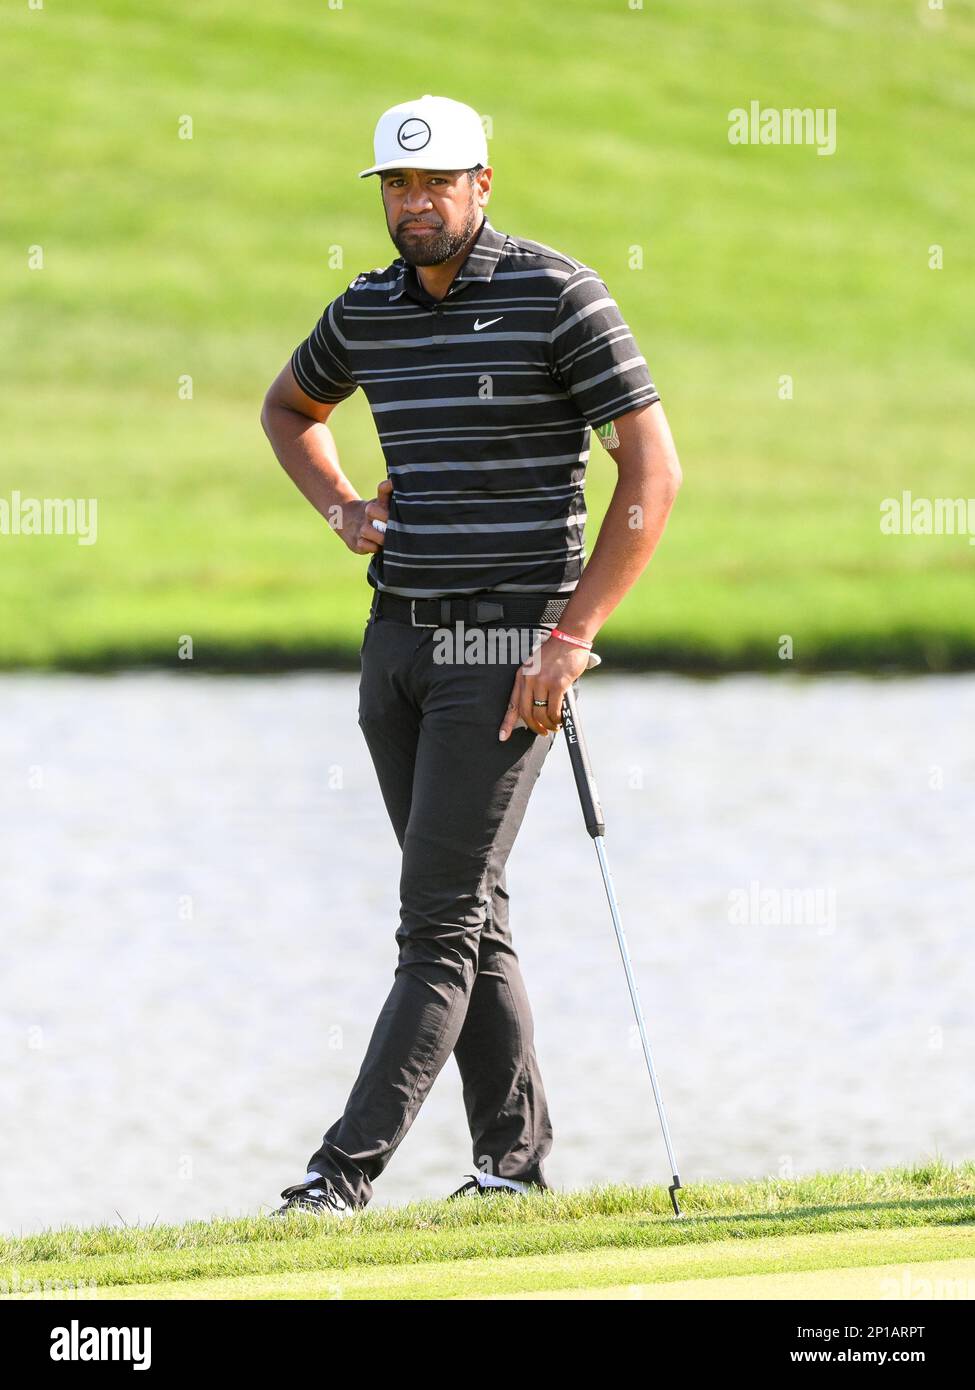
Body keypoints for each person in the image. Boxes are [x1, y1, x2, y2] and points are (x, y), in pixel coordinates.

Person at [260, 94, 682, 1215]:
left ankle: (338, 1177)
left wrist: (571, 635)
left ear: (483, 184)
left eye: (437, 182)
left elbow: (652, 475)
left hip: (508, 645)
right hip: (397, 637)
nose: (416, 203)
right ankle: (514, 1165)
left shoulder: (560, 295)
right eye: (398, 186)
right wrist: (346, 509)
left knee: (437, 919)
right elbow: (290, 407)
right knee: (468, 908)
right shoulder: (368, 307)